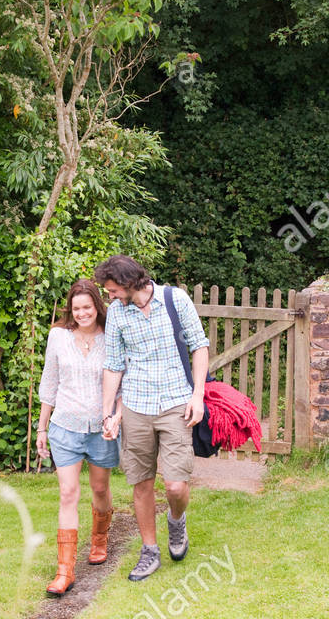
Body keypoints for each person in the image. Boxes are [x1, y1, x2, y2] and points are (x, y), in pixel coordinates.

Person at [94, 254, 209, 582]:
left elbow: (199, 347)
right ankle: (149, 550)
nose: (110, 296)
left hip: (176, 402)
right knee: (141, 482)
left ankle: (176, 521)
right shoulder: (117, 313)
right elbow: (114, 364)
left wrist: (197, 395)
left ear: (130, 283)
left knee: (175, 485)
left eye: (113, 290)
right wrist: (108, 414)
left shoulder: (175, 299)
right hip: (135, 405)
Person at [36, 280, 122, 596]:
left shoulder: (112, 336)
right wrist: (42, 428)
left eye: (87, 307)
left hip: (102, 429)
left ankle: (99, 539)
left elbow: (123, 382)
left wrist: (116, 416)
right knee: (68, 492)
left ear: (97, 307)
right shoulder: (58, 337)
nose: (82, 313)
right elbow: (49, 383)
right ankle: (65, 571)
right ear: (70, 310)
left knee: (100, 488)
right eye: (76, 308)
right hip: (65, 428)